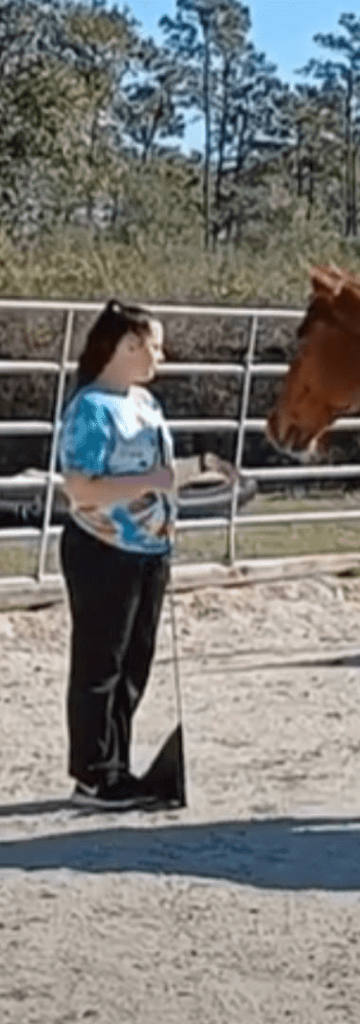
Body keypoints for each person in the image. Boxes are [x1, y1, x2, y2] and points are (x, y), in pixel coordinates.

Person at [58, 299, 177, 810]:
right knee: (99, 663)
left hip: (148, 550)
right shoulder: (89, 410)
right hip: (103, 549)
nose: (160, 358)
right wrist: (153, 482)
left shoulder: (147, 406)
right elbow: (82, 489)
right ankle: (93, 772)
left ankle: (116, 764)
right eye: (154, 346)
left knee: (134, 663)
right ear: (127, 346)